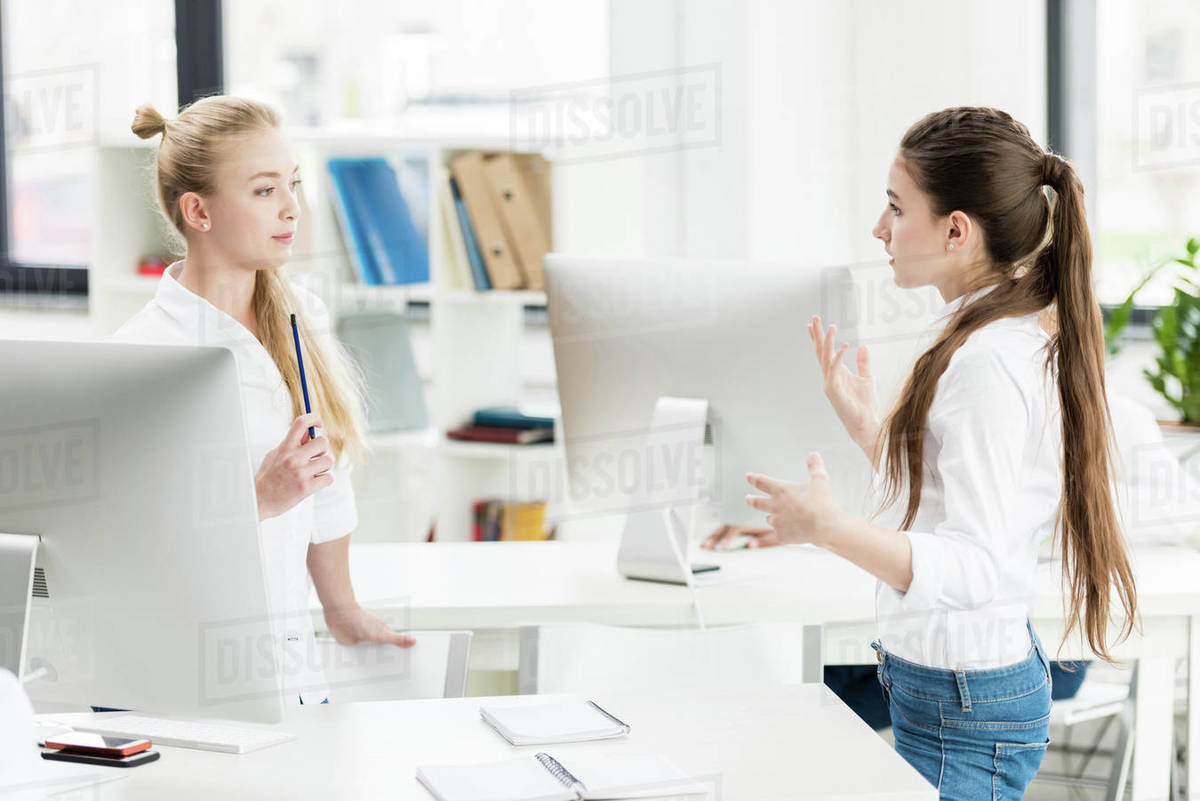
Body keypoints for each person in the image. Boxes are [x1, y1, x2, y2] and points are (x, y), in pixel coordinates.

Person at [705, 106, 1134, 800]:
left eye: (896, 208)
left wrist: (831, 528)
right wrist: (869, 429)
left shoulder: (988, 360)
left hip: (964, 707)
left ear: (956, 230)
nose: (880, 229)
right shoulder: (980, 333)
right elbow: (950, 498)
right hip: (950, 693)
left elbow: (976, 562)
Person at [110, 96, 414, 706]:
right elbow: (125, 550)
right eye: (263, 190)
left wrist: (341, 608)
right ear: (198, 210)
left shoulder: (304, 318)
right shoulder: (141, 354)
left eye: (292, 185)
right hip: (192, 678)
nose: (291, 209)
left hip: (295, 674)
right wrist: (256, 499)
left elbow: (329, 483)